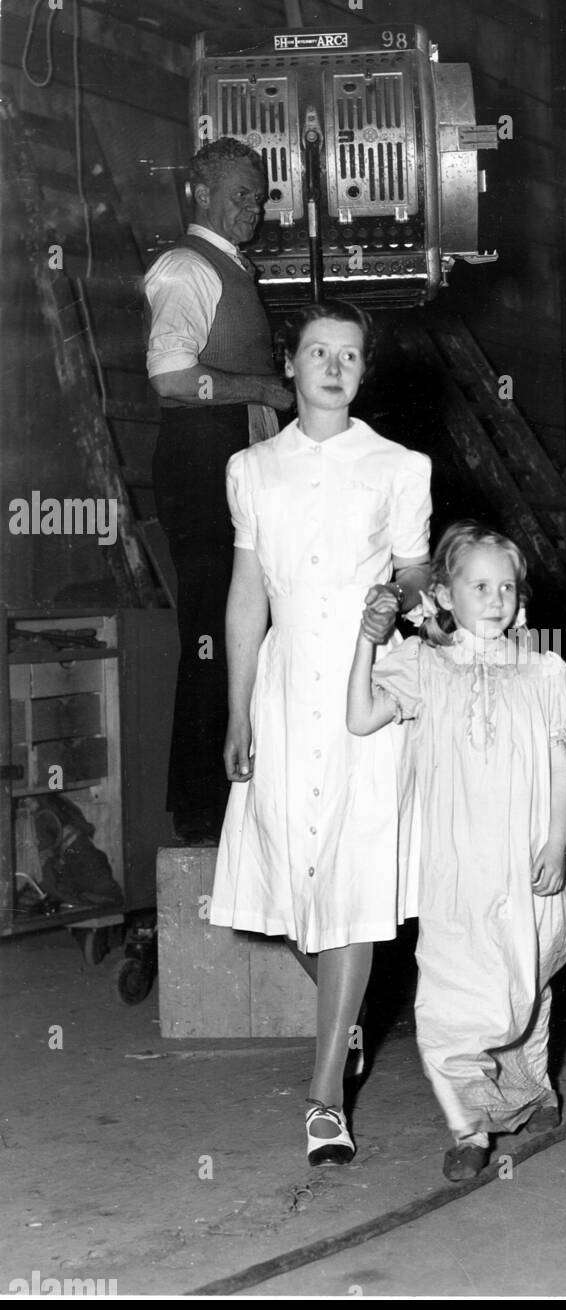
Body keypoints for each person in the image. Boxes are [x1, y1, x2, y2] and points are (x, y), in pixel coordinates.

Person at [209, 301, 431, 1166]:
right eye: (317, 352)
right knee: (293, 896)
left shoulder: (398, 466)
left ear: (363, 371)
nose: (334, 365)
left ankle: (323, 1098)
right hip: (281, 684)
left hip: (364, 689)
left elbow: (415, 568)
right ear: (291, 366)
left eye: (349, 354)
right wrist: (235, 707)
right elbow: (246, 596)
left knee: (352, 885)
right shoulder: (251, 469)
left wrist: (401, 600)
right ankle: (350, 1025)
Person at [347, 521, 566, 1182]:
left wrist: (558, 841)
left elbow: (561, 763)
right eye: (479, 584)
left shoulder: (543, 671)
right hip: (455, 868)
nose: (496, 597)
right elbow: (360, 717)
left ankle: (533, 1089)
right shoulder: (426, 668)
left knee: (527, 982)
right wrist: (365, 645)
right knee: (450, 1000)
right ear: (445, 595)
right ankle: (467, 1129)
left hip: (528, 859)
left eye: (506, 585)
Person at [145, 136, 294, 844]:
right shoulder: (185, 267)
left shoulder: (235, 270)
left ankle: (233, 799)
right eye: (241, 195)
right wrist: (263, 385)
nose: (255, 209)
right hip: (202, 461)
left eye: (260, 196)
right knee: (211, 632)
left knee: (243, 631)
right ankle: (202, 809)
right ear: (199, 194)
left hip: (235, 456)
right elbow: (172, 377)